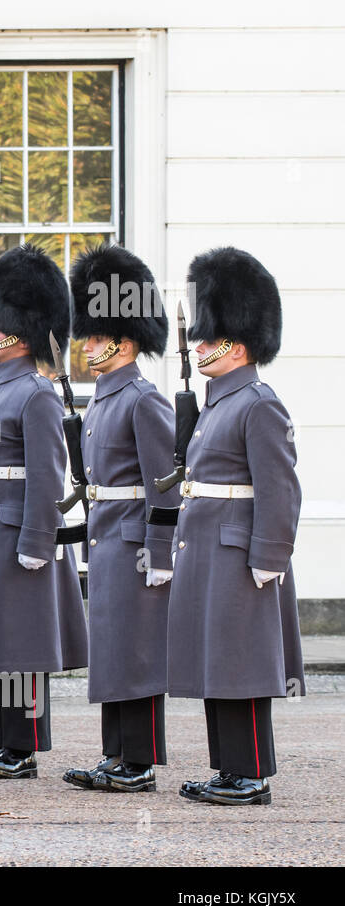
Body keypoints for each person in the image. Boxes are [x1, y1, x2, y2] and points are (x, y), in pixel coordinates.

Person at [170, 247, 303, 806]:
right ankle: (227, 769)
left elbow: (280, 488)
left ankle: (250, 775)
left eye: (209, 336)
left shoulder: (257, 403)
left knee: (242, 666)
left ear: (239, 342)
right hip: (209, 550)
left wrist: (268, 557)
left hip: (241, 554)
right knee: (216, 665)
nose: (199, 345)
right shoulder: (217, 404)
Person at [0, 244, 88, 781]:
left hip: (18, 534)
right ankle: (3, 742)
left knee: (21, 644)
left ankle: (23, 746)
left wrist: (38, 541)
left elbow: (47, 474)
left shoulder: (36, 394)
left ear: (23, 330)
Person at [62, 244, 176, 794]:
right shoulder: (104, 399)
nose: (87, 344)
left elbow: (164, 486)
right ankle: (116, 754)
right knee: (111, 650)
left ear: (124, 342)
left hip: (134, 541)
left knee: (137, 652)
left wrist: (159, 552)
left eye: (96, 336)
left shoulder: (143, 400)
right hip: (107, 536)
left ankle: (141, 761)